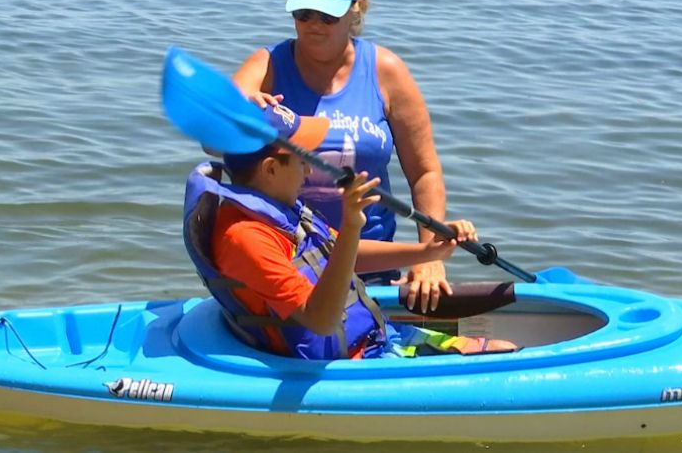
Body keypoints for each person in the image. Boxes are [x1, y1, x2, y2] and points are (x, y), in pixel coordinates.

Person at [182, 105, 516, 360]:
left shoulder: (284, 209)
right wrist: (352, 223)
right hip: (354, 362)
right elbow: (320, 321)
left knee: (501, 348)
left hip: (377, 339)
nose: (309, 170)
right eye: (301, 160)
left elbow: (342, 253)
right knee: (499, 356)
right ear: (270, 169)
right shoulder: (247, 238)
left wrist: (428, 252)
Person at [232, 0, 448, 309]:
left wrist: (429, 256)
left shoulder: (387, 71)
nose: (313, 24)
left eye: (327, 15)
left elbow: (424, 172)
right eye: (303, 13)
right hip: (289, 258)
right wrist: (238, 115)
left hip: (371, 262)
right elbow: (213, 140)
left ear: (355, 8)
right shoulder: (267, 64)